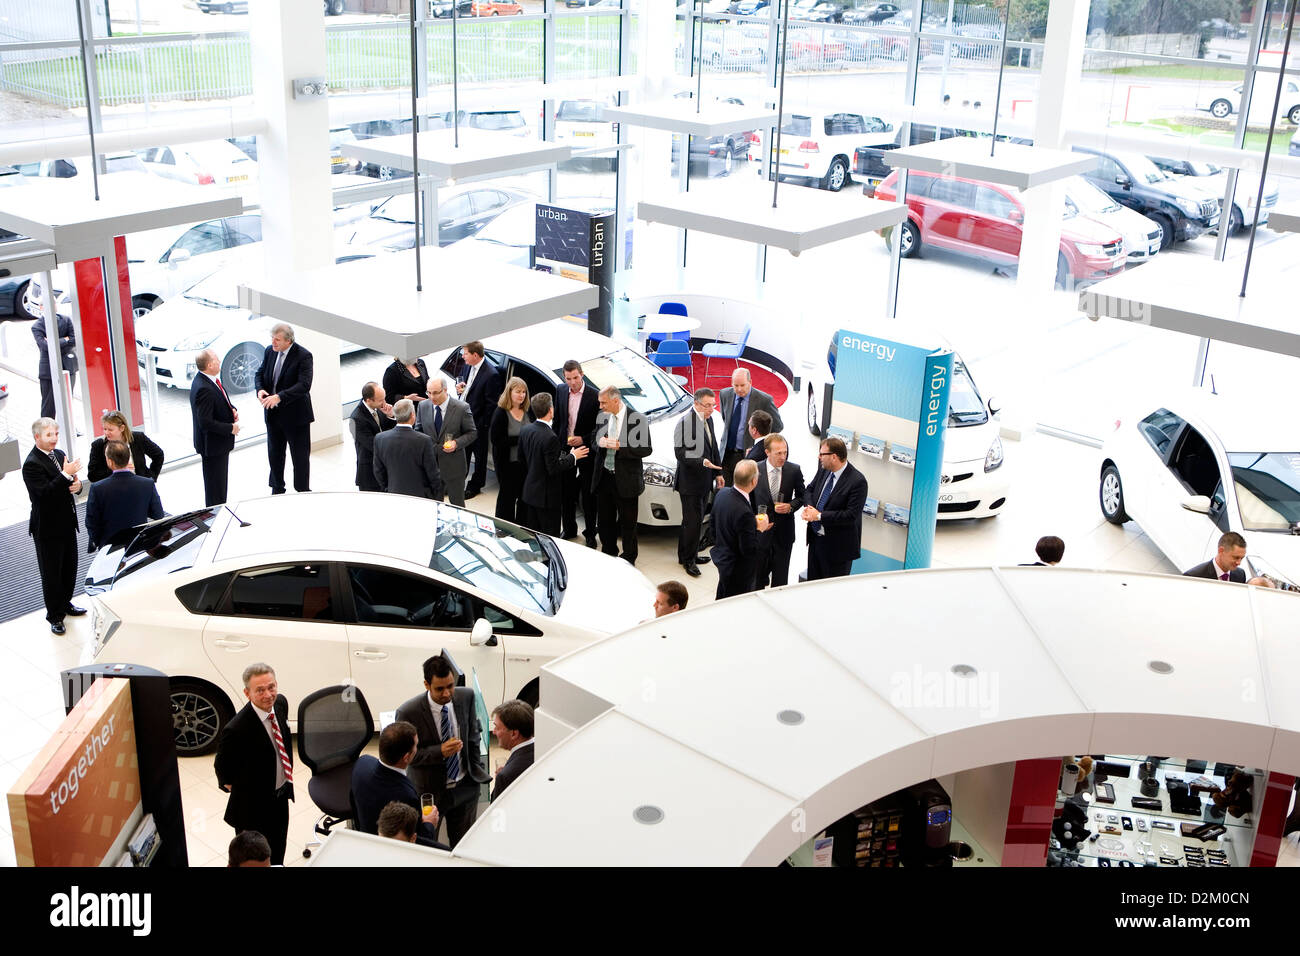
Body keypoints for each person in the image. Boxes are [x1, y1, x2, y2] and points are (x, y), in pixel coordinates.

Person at [394, 654, 490, 849]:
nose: (447, 693)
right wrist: (440, 752)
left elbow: (473, 735)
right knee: (428, 848)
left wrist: (476, 770)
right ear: (426, 685)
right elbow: (407, 758)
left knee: (463, 847)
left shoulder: (466, 696)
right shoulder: (408, 712)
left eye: (450, 686)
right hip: (431, 794)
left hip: (465, 788)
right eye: (440, 689)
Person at [214, 663, 294, 867]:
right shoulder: (236, 729)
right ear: (247, 693)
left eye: (271, 687)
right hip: (253, 810)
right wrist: (244, 789)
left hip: (280, 797)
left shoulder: (281, 704)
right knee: (254, 860)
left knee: (278, 850)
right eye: (260, 690)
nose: (268, 694)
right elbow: (222, 770)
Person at [23, 417, 84, 635]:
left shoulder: (59, 455)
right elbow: (44, 495)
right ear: (37, 437)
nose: (54, 439)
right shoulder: (31, 464)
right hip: (48, 528)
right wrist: (66, 474)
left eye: (56, 434)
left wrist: (76, 485)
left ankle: (65, 603)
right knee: (51, 574)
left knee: (69, 568)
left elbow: (70, 484)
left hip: (67, 523)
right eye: (49, 435)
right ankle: (55, 615)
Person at [349, 720, 442, 846]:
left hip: (364, 834)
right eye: (416, 746)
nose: (417, 748)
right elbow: (418, 842)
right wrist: (429, 824)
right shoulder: (405, 796)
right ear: (406, 757)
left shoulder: (363, 762)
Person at [589, 385, 652, 565]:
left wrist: (620, 447)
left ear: (615, 401)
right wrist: (598, 442)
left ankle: (629, 558)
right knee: (605, 521)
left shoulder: (637, 419)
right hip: (604, 478)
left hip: (626, 481)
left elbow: (646, 448)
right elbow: (594, 437)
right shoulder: (602, 416)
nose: (600, 406)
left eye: (603, 402)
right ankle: (608, 554)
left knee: (628, 525)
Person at [254, 322, 314, 495]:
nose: (273, 342)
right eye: (272, 338)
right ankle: (277, 488)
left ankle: (302, 490)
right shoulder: (269, 351)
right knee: (275, 454)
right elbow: (259, 373)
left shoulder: (303, 356)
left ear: (289, 341)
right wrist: (260, 390)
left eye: (277, 339)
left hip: (296, 417)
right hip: (273, 415)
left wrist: (279, 396)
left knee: (300, 458)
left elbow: (304, 385)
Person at [519, 392, 587, 536]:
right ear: (551, 410)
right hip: (547, 498)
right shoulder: (550, 437)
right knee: (550, 537)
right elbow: (553, 468)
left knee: (533, 535)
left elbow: (522, 459)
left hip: (530, 493)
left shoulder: (525, 430)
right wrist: (573, 457)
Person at [672, 387, 724, 578]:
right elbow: (680, 453)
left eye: (713, 405)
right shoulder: (685, 423)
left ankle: (688, 554)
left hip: (704, 480)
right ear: (696, 404)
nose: (712, 409)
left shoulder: (707, 418)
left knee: (695, 521)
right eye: (708, 405)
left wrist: (718, 471)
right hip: (690, 482)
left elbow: (713, 446)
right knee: (692, 523)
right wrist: (701, 462)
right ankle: (688, 560)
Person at [802, 436, 869, 581]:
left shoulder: (858, 481)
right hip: (816, 542)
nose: (819, 457)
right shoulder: (824, 470)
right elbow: (809, 490)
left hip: (837, 550)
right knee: (812, 587)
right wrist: (809, 508)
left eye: (822, 454)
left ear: (834, 457)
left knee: (832, 594)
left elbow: (850, 515)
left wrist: (818, 516)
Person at [85, 440, 165, 552]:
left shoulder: (97, 488)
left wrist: (98, 542)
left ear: (110, 461)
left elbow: (92, 522)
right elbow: (158, 515)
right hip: (138, 544)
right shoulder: (147, 483)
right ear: (128, 458)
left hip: (110, 547)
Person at [554, 360, 601, 545]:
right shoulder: (560, 390)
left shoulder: (594, 395)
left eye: (575, 377)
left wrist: (583, 439)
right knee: (567, 493)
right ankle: (569, 528)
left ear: (581, 374)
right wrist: (559, 446)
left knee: (589, 495)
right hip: (566, 450)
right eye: (568, 378)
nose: (572, 382)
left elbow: (599, 429)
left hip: (586, 450)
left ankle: (590, 533)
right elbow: (558, 421)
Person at [711, 459, 771, 599]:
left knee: (722, 596)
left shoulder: (722, 493)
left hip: (723, 559)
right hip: (737, 570)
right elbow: (749, 550)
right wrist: (759, 529)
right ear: (754, 481)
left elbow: (713, 528)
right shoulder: (745, 512)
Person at [752, 434, 805, 589]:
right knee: (757, 579)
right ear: (767, 452)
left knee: (780, 581)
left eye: (785, 452)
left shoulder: (794, 470)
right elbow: (748, 498)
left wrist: (791, 506)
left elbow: (802, 496)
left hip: (784, 534)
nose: (783, 457)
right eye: (779, 453)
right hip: (761, 534)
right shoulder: (755, 468)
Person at [416, 377, 476, 507]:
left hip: (454, 467)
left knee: (457, 505)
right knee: (434, 506)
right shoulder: (423, 406)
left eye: (436, 392)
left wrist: (457, 443)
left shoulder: (461, 408)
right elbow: (418, 430)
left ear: (445, 390)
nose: (432, 397)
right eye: (429, 392)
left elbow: (472, 433)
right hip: (430, 467)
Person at [189, 348, 239, 507]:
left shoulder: (209, 380)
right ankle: (216, 516)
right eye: (217, 359)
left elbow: (220, 402)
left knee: (218, 484)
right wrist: (230, 428)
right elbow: (205, 422)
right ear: (210, 365)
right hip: (213, 446)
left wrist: (232, 409)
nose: (219, 361)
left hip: (216, 445)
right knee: (215, 488)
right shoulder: (204, 388)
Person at [718, 368, 783, 484]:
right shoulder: (724, 394)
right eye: (736, 385)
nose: (739, 389)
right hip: (726, 454)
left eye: (743, 385)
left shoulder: (764, 400)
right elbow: (725, 419)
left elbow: (777, 426)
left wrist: (758, 444)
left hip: (747, 456)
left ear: (750, 382)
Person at [456, 340, 501, 500]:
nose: (463, 356)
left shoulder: (491, 374)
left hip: (478, 425)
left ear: (475, 355)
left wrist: (481, 426)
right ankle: (457, 483)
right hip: (463, 418)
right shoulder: (468, 366)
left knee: (479, 457)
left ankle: (475, 485)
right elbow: (467, 387)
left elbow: (491, 405)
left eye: (465, 353)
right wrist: (460, 388)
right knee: (463, 454)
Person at [373, 399, 441, 498]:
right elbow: (432, 474)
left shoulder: (380, 438)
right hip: (421, 496)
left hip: (394, 493)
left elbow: (378, 471)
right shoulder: (424, 441)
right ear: (413, 415)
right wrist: (437, 497)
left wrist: (388, 488)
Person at [490, 377, 532, 523]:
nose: (521, 395)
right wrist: (522, 439)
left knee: (524, 498)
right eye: (518, 392)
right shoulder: (501, 412)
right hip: (507, 465)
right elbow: (496, 440)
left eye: (524, 392)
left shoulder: (528, 410)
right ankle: (504, 528)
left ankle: (522, 527)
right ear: (509, 392)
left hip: (525, 464)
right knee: (507, 499)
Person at [86, 410, 164, 484]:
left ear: (122, 428)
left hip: (139, 485)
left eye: (110, 430)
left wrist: (151, 478)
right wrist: (118, 469)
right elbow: (92, 476)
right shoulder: (98, 445)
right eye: (105, 429)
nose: (106, 433)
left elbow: (158, 454)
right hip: (113, 489)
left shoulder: (138, 438)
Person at [349, 381, 395, 492]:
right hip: (369, 472)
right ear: (368, 400)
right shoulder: (356, 419)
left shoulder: (379, 409)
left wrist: (391, 416)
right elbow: (373, 444)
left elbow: (390, 429)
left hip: (384, 468)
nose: (384, 403)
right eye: (381, 400)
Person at [31, 314, 77, 421]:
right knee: (48, 404)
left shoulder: (66, 319)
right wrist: (65, 340)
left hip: (68, 366)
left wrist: (53, 342)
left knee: (68, 400)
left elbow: (74, 340)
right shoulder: (37, 326)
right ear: (42, 307)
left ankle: (70, 427)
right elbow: (45, 346)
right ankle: (47, 428)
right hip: (48, 370)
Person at [489, 700, 535, 801]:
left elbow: (496, 811)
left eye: (497, 727)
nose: (493, 732)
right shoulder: (545, 749)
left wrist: (501, 778)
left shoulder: (506, 776)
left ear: (514, 734)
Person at [1183, 531, 1248, 582]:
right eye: (1235, 557)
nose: (1239, 563)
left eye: (1241, 558)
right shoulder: (1194, 577)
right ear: (1221, 551)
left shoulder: (1240, 575)